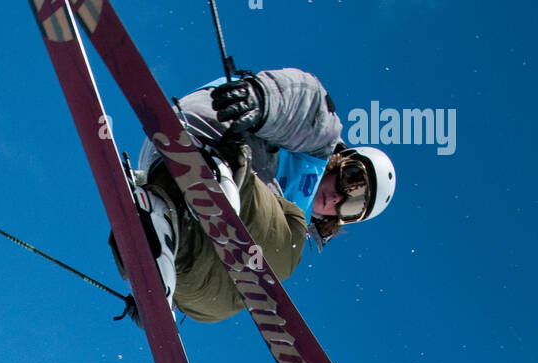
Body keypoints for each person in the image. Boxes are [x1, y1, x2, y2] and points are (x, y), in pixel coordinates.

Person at [116, 67, 395, 325]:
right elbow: (310, 102)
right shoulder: (319, 145)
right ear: (344, 159)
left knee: (220, 301)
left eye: (353, 206)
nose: (339, 198)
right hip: (208, 135)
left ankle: (165, 241)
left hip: (162, 175)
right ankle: (215, 179)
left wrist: (153, 291)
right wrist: (261, 98)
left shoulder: (289, 216)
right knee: (284, 254)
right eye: (353, 182)